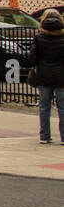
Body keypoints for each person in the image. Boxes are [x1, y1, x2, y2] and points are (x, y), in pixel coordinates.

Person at [26, 9, 64, 144]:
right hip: (61, 77)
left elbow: (32, 58)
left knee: (44, 106)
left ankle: (44, 136)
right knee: (62, 107)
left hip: (43, 76)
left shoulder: (39, 37)